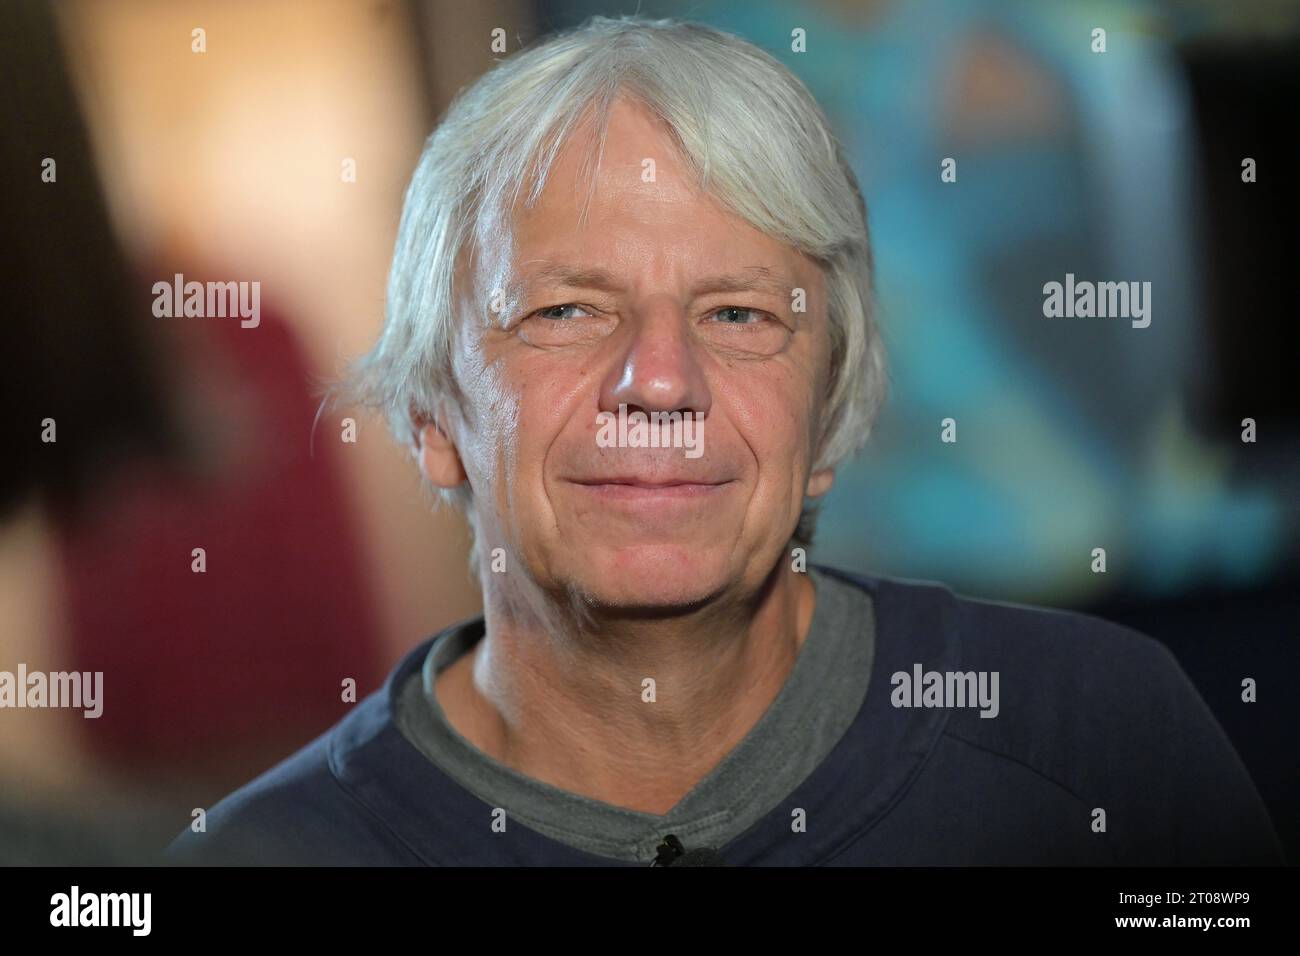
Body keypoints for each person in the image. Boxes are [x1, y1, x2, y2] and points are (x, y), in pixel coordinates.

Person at [164, 16, 1282, 866]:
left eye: (738, 314)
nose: (660, 379)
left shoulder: (1103, 736)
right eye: (566, 310)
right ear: (430, 419)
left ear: (830, 410)